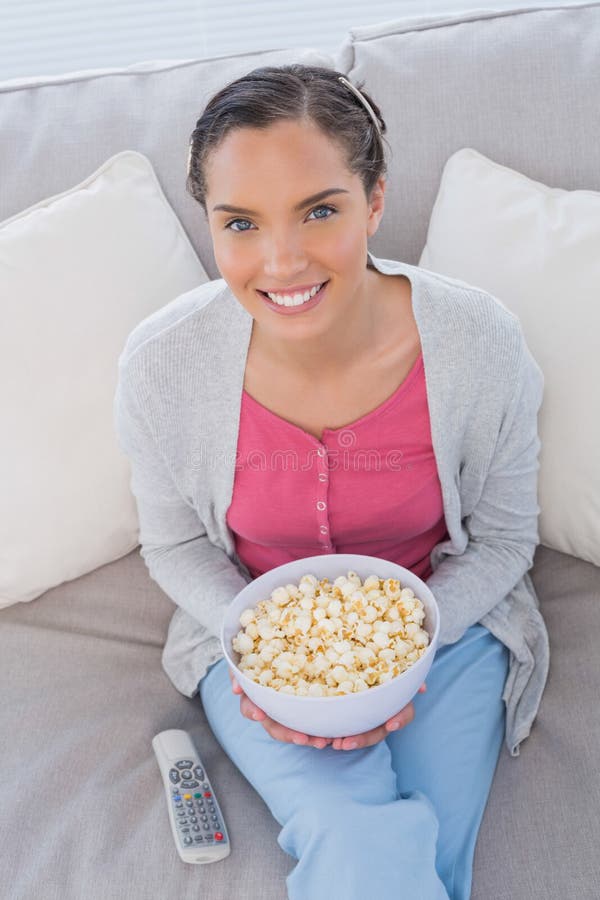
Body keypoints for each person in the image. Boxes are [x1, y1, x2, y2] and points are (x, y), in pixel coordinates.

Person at [114, 64, 549, 900]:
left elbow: (502, 540)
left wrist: (399, 653)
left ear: (375, 200)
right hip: (252, 641)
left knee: (420, 851)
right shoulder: (163, 366)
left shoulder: (481, 344)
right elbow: (170, 544)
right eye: (240, 223)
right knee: (357, 837)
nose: (281, 261)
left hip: (443, 633)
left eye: (319, 211)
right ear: (209, 223)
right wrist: (276, 668)